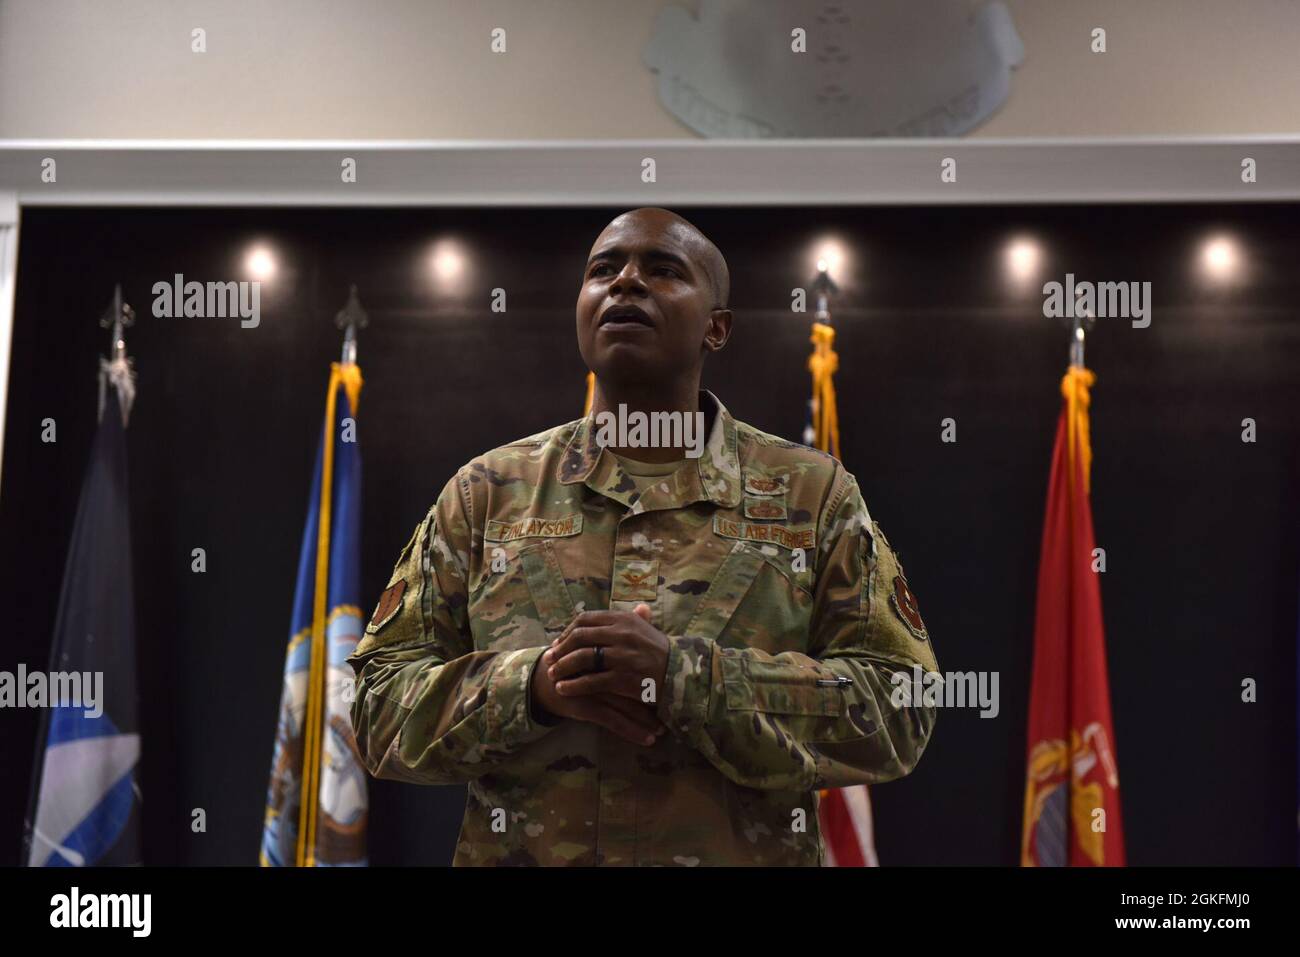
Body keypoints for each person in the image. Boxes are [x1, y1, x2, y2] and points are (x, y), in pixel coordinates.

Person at [347, 207, 939, 866]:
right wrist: (532, 687)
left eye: (664, 270)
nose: (625, 282)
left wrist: (685, 677)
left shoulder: (813, 494)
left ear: (717, 327)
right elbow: (374, 710)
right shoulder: (487, 492)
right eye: (603, 270)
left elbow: (902, 706)